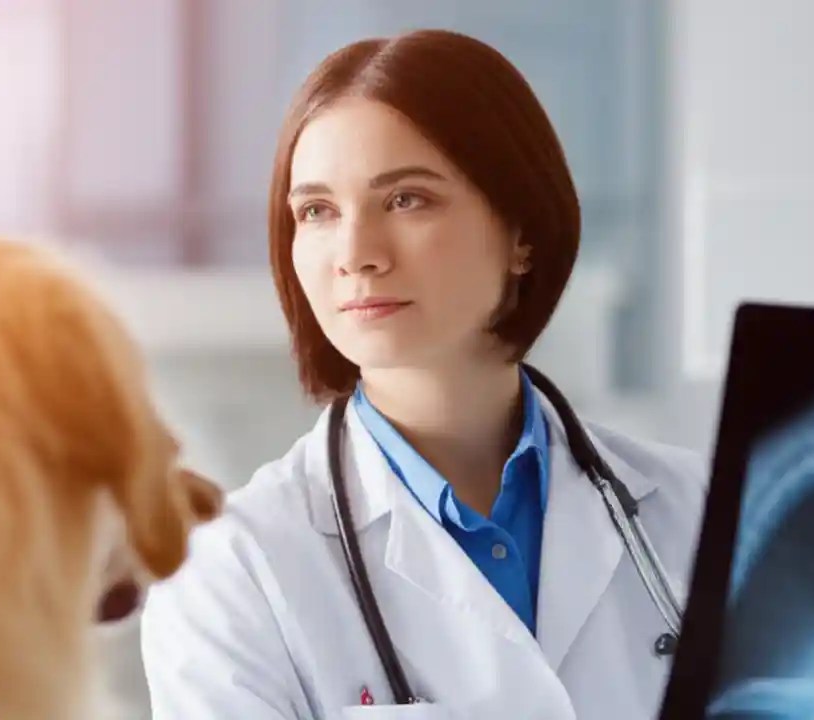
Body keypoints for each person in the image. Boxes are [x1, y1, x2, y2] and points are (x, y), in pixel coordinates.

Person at [140, 29, 709, 719]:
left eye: (407, 199)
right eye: (317, 211)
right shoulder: (231, 572)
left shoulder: (699, 515)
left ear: (522, 232)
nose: (356, 253)